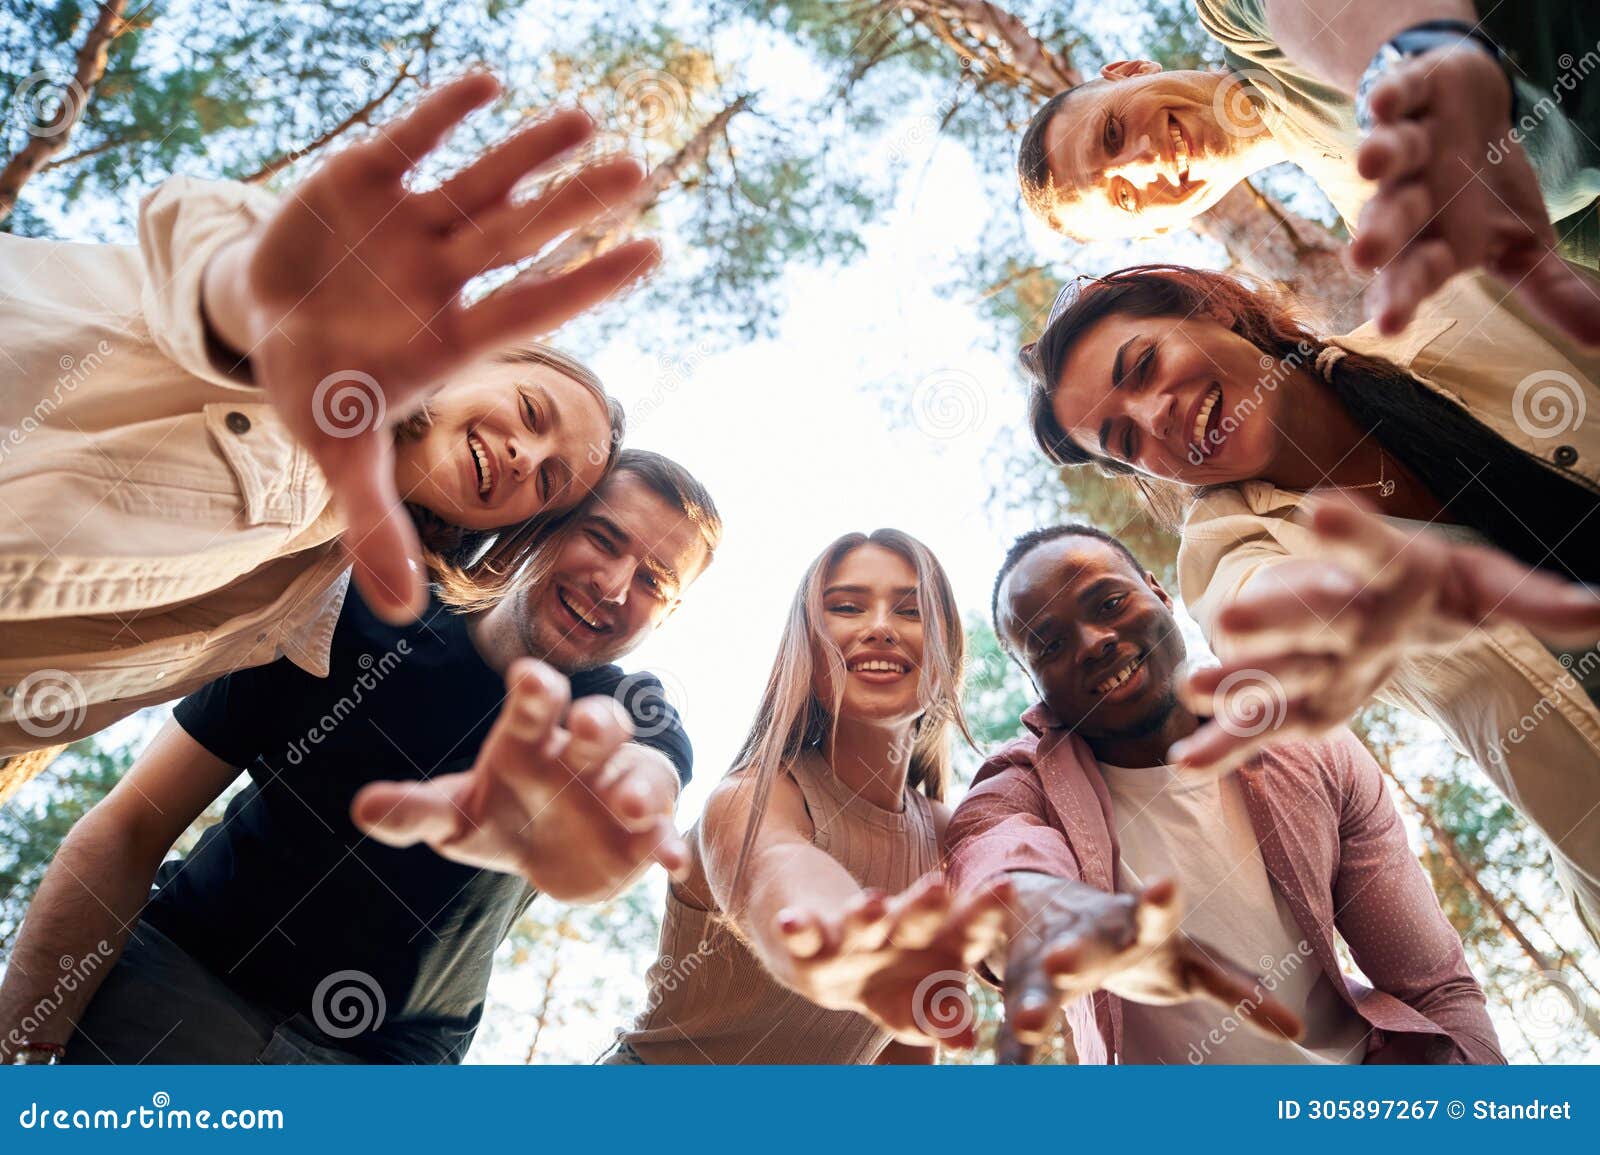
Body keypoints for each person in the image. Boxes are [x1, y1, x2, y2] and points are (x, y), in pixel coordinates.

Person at [0, 70, 659, 755]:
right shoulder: (296, 346)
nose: (526, 454)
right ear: (464, 361)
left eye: (548, 480)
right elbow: (202, 249)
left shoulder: (300, 611)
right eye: (529, 410)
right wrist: (267, 302)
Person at [0, 450, 719, 1065]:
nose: (616, 584)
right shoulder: (351, 610)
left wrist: (612, 827)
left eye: (656, 579)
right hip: (172, 994)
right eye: (603, 537)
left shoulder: (635, 714)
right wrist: (19, 1046)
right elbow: (131, 824)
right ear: (545, 525)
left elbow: (643, 792)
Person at [1023, 262, 1600, 941]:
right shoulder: (1225, 555)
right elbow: (1255, 618)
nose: (1157, 415)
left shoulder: (1473, 305)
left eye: (1144, 364)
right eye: (1128, 441)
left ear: (1213, 308)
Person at [946, 523, 1504, 1065]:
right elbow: (992, 854)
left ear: (1157, 592)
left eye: (1110, 603)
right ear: (1031, 677)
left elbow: (1434, 988)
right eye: (1050, 643)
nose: (1093, 643)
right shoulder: (1023, 785)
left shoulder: (1303, 742)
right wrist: (1038, 915)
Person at [605, 530, 1012, 1065]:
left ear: (947, 653)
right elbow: (780, 872)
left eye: (911, 612)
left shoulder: (946, 837)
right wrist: (840, 942)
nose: (881, 628)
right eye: (846, 607)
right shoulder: (749, 798)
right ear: (808, 645)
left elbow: (905, 1048)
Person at [1015, 2, 1600, 341]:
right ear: (1158, 230)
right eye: (1124, 197)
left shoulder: (1239, 22)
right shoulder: (1379, 221)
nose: (1141, 161)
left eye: (1111, 132)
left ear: (1128, 70)